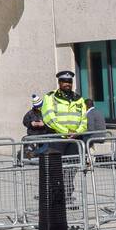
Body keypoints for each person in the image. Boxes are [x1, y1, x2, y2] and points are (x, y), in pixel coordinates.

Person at [40, 70, 87, 204]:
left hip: (73, 140)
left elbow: (84, 120)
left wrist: (77, 131)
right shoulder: (50, 97)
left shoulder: (79, 99)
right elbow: (49, 118)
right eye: (64, 81)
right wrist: (65, 131)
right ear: (59, 82)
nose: (67, 84)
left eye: (69, 81)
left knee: (71, 169)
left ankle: (67, 196)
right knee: (56, 169)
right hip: (58, 139)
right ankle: (56, 197)